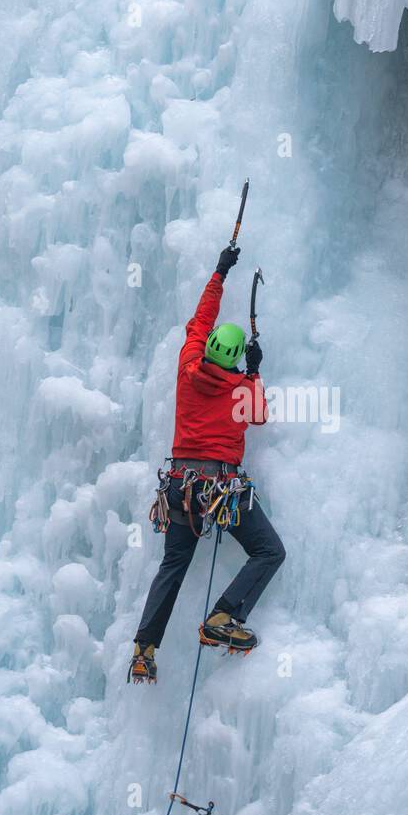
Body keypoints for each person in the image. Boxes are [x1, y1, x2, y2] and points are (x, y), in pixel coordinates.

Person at [129, 245, 285, 683]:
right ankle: (223, 616)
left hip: (180, 487)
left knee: (173, 565)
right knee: (269, 551)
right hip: (220, 491)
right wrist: (253, 372)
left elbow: (199, 320)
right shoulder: (239, 388)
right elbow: (258, 415)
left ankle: (144, 650)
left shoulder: (187, 366)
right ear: (233, 359)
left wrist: (220, 273)